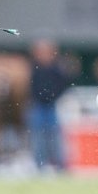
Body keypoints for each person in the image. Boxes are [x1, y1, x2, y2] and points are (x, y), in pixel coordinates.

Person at [27, 39, 72, 172]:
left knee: (56, 137)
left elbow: (63, 86)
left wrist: (54, 97)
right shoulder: (33, 68)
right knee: (37, 137)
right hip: (38, 106)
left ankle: (60, 166)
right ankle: (39, 165)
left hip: (52, 106)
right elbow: (30, 88)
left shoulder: (57, 69)